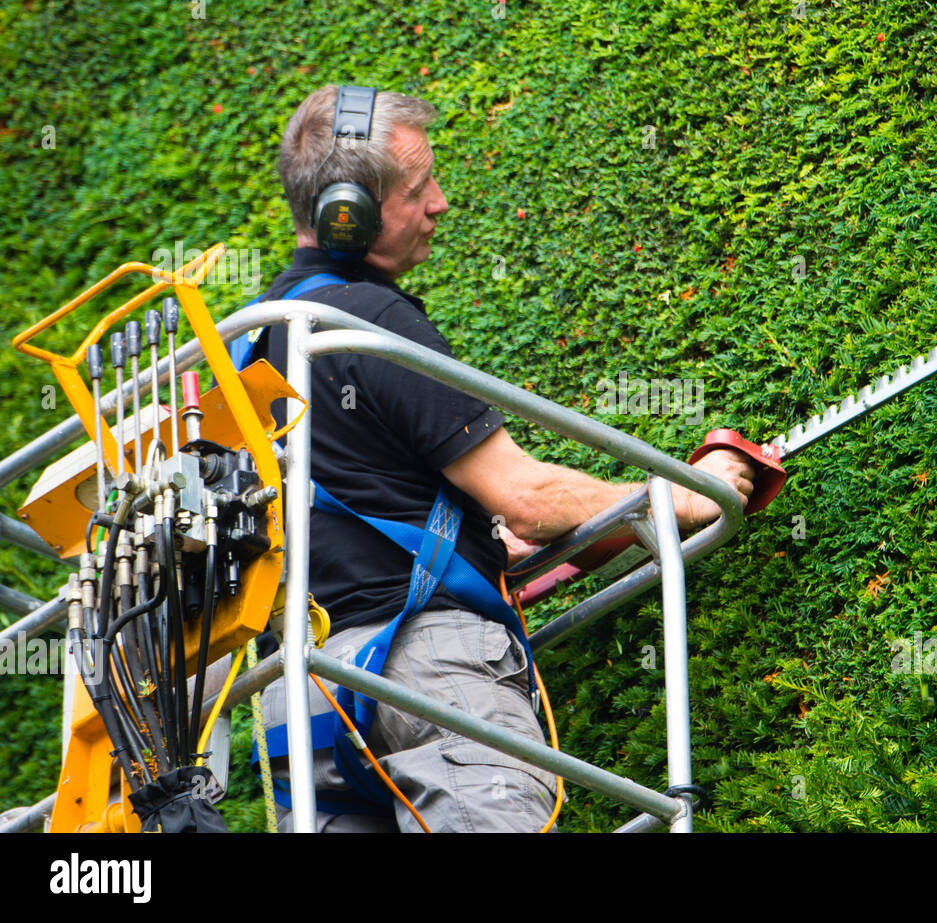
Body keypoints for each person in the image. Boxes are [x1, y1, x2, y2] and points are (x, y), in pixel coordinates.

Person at [252, 85, 756, 832]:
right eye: (418, 188)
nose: (441, 204)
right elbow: (524, 495)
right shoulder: (363, 323)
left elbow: (352, 501)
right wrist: (688, 494)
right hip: (425, 669)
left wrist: (477, 541)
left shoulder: (253, 345)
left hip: (302, 701)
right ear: (346, 214)